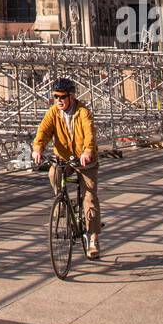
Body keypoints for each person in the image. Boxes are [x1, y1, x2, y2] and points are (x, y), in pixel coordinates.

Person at [32, 77, 102, 259]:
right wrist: (38, 148)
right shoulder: (53, 112)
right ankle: (61, 201)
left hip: (86, 161)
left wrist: (87, 151)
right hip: (64, 159)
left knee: (89, 198)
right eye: (55, 96)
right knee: (53, 173)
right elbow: (43, 131)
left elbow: (90, 134)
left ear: (71, 96)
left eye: (62, 96)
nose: (58, 100)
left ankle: (92, 237)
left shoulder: (83, 112)